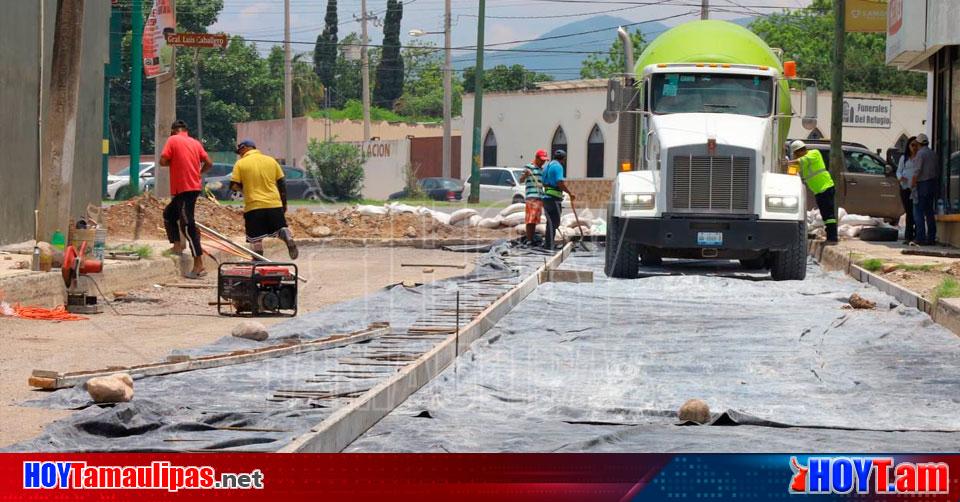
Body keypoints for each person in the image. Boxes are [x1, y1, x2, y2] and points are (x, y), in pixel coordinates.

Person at [229, 139, 298, 259]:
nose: (240, 155)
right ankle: (287, 236)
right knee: (280, 228)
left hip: (254, 206)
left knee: (256, 238)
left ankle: (258, 260)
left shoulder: (241, 163)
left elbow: (233, 185)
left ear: (244, 148)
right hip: (274, 204)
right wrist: (284, 203)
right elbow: (281, 183)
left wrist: (245, 190)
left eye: (240, 152)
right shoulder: (271, 161)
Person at [161, 120, 212, 278]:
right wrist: (198, 173)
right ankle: (177, 246)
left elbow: (163, 160)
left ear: (173, 131)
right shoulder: (195, 143)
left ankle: (199, 265)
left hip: (185, 189)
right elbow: (209, 163)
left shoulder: (173, 140)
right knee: (169, 215)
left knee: (188, 225)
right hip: (191, 188)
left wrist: (172, 162)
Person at [787, 140, 837, 244]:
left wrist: (786, 162)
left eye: (795, 154)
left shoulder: (814, 153)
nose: (795, 156)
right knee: (825, 215)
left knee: (829, 215)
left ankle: (833, 238)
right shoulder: (803, 161)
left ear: (800, 151)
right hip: (819, 191)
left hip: (826, 187)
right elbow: (792, 171)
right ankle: (830, 237)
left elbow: (800, 161)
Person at [541, 149, 576, 250]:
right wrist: (569, 193)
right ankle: (549, 245)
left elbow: (543, 183)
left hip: (546, 198)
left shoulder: (547, 166)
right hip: (554, 198)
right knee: (555, 222)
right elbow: (559, 182)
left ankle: (548, 244)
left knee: (550, 222)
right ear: (564, 159)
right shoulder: (558, 167)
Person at [912, 133, 939, 245]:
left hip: (922, 184)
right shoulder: (933, 154)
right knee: (929, 212)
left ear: (919, 143)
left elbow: (917, 170)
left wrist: (913, 183)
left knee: (918, 211)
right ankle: (931, 238)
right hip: (932, 184)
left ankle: (920, 237)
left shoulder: (920, 154)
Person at [518, 149, 548, 245]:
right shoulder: (528, 167)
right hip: (531, 197)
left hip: (540, 197)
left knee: (535, 220)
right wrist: (525, 175)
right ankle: (529, 239)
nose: (543, 162)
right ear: (536, 158)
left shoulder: (542, 170)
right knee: (530, 219)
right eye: (542, 159)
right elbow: (521, 180)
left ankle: (531, 238)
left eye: (544, 160)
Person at [895, 136, 919, 244]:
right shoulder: (904, 158)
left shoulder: (919, 158)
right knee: (909, 212)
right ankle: (908, 236)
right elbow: (898, 171)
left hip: (916, 188)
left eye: (916, 145)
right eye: (912, 145)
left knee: (915, 213)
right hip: (905, 188)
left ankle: (915, 235)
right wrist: (900, 178)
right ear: (908, 146)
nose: (914, 147)